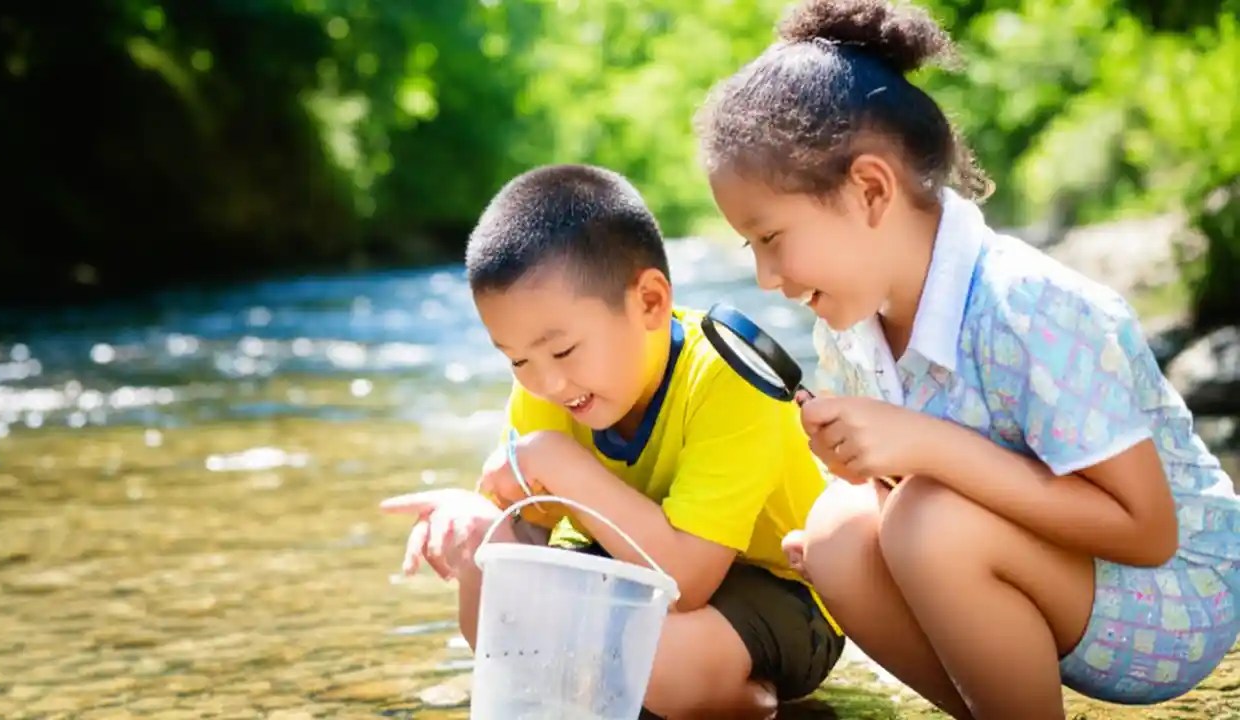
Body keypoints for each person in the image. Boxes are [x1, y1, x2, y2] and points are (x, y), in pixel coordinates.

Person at [695, 0, 1240, 717]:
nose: (767, 277)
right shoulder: (850, 325)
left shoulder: (1032, 307)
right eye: (750, 247)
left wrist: (927, 449)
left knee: (925, 519)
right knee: (835, 532)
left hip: (1174, 598)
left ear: (869, 189)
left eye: (771, 237)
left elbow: (1147, 530)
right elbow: (913, 493)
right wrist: (877, 471)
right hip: (1049, 574)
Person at [380, 164, 844, 719]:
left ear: (649, 302)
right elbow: (504, 622)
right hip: (630, 578)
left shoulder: (727, 376)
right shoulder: (547, 386)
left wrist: (553, 458)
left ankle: (752, 701)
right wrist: (480, 528)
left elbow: (690, 581)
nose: (545, 382)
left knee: (655, 668)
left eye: (564, 351)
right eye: (517, 359)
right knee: (498, 557)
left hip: (776, 587)